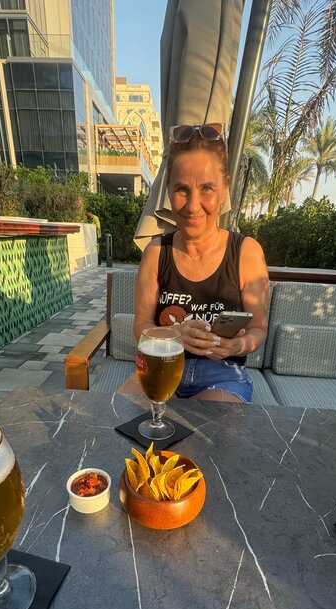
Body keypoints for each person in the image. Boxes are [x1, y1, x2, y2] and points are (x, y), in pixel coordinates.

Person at [118, 123, 269, 403]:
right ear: (168, 190)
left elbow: (258, 329)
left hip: (222, 374)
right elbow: (141, 327)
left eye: (207, 188)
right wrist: (174, 334)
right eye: (182, 189)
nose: (192, 205)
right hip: (162, 365)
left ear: (224, 189)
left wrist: (236, 345)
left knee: (204, 428)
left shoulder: (246, 252)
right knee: (119, 414)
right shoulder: (156, 252)